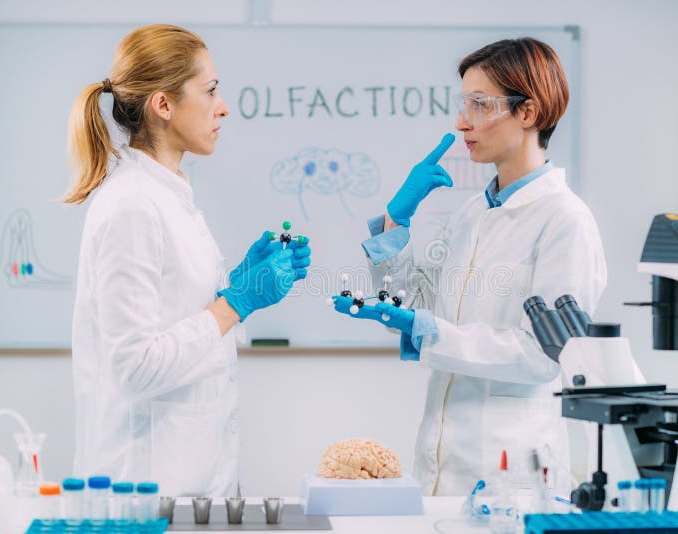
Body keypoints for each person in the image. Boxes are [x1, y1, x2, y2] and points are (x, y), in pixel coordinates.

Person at [332, 37, 606, 496]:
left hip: (513, 472)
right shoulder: (473, 213)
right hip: (440, 464)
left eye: (480, 105)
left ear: (528, 113)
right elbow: (420, 305)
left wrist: (427, 330)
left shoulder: (565, 220)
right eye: (464, 104)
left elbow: (543, 355)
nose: (463, 122)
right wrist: (395, 225)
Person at [65, 24, 311, 496]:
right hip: (144, 492)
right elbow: (135, 367)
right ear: (163, 105)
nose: (223, 106)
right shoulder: (133, 206)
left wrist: (235, 286)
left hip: (190, 489)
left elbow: (181, 321)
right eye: (211, 90)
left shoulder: (168, 196)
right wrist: (234, 303)